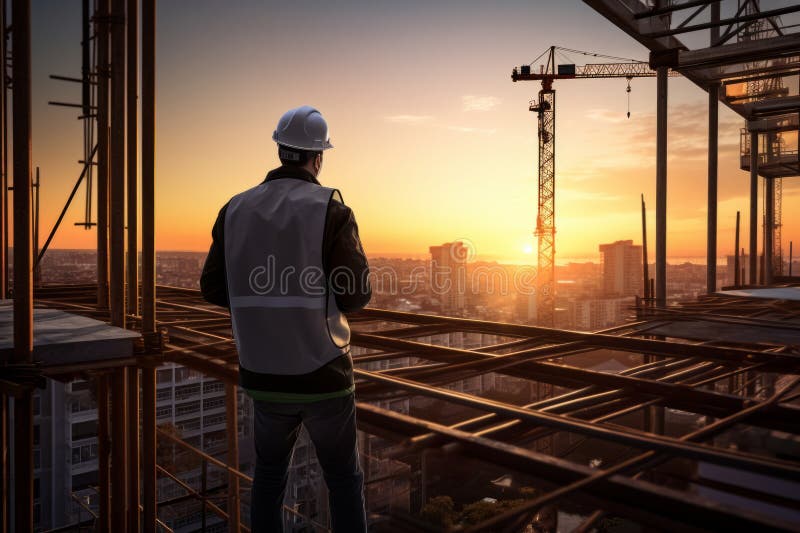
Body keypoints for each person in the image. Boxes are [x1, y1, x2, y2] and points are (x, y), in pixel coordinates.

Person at [200, 105, 371, 532]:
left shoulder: (234, 209)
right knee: (343, 480)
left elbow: (213, 288)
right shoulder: (330, 208)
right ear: (319, 157)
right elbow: (356, 295)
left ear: (280, 150)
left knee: (270, 477)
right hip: (323, 374)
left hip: (263, 374)